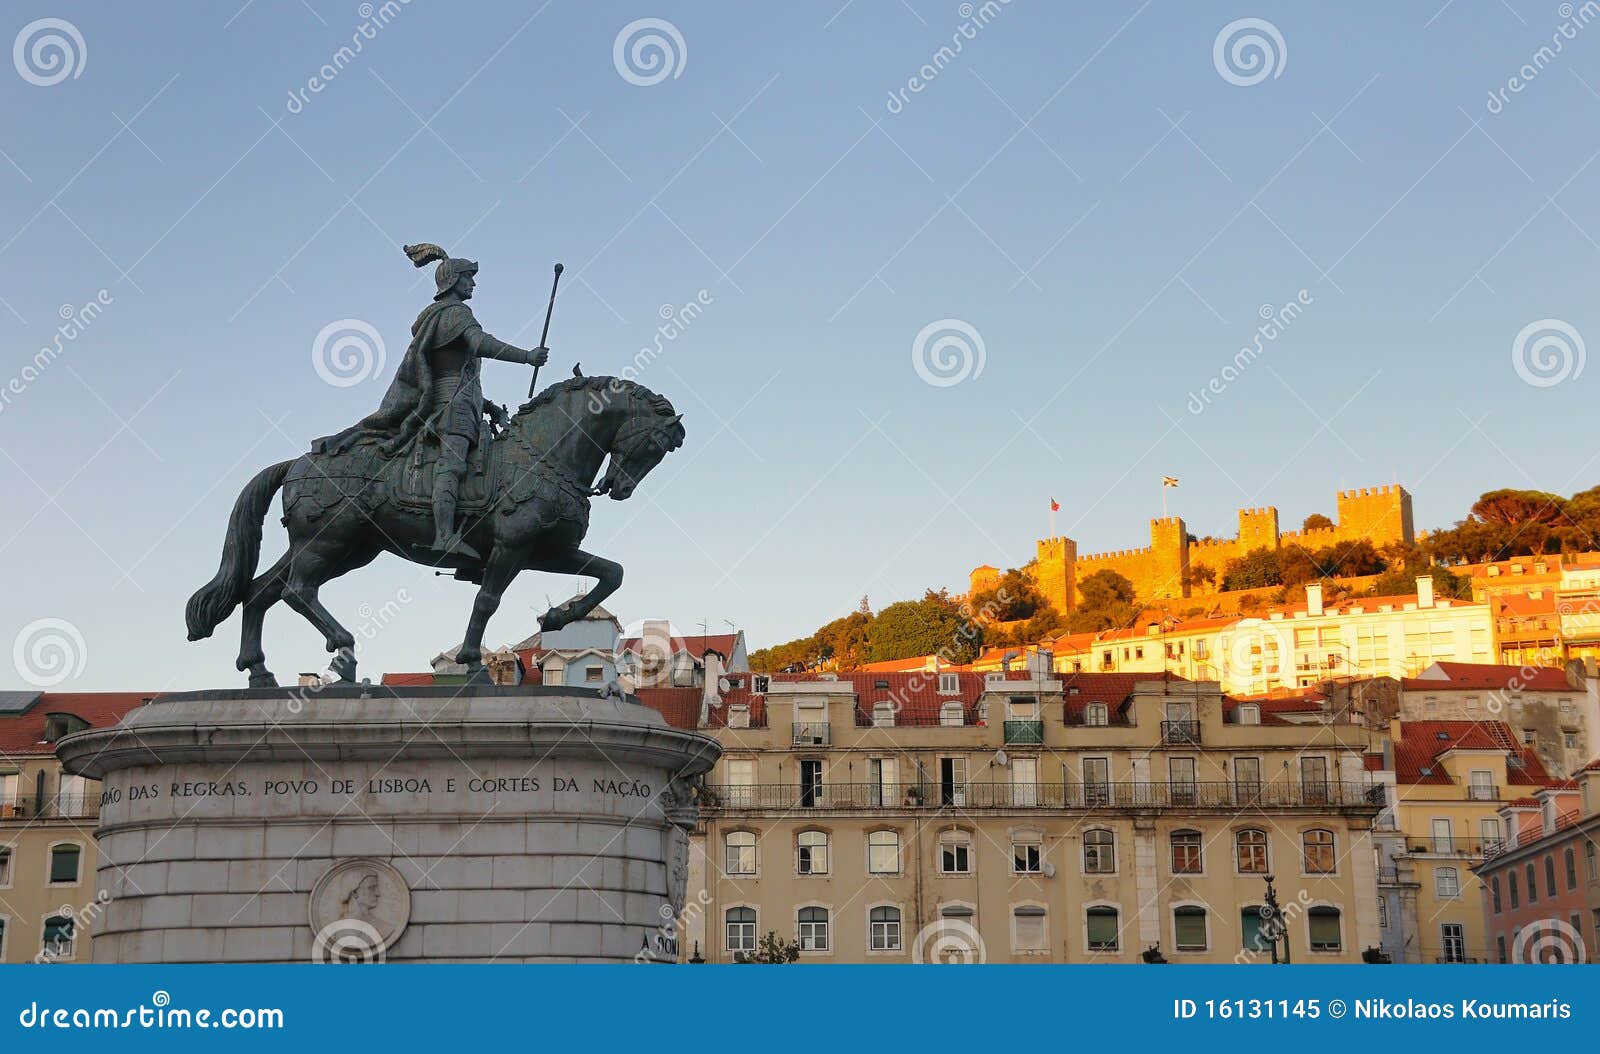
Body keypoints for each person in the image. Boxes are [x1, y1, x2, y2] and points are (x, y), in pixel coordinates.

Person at [315, 243, 547, 561]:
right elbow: (481, 344)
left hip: (461, 401)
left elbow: (456, 373)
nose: (473, 284)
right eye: (468, 277)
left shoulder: (442, 316)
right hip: (452, 408)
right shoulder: (455, 313)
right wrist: (527, 357)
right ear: (453, 281)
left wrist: (487, 405)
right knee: (451, 465)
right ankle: (444, 535)